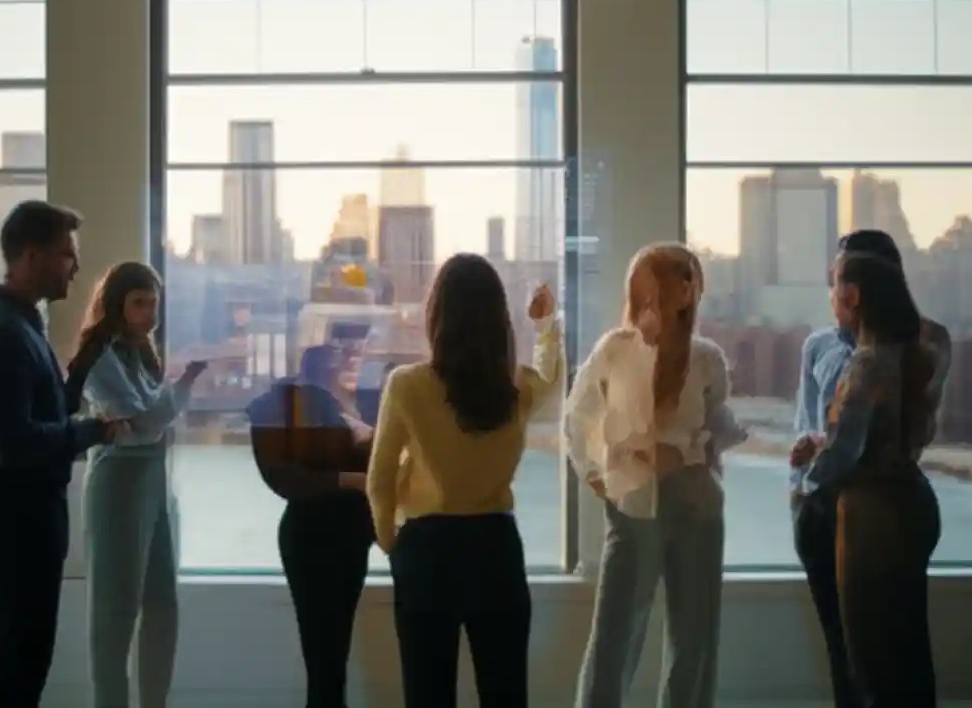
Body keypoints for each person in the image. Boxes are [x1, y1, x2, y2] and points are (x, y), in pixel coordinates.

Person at [366, 255, 563, 708]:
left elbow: (379, 479)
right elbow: (553, 377)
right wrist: (548, 322)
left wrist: (391, 541)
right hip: (494, 548)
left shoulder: (407, 385)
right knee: (505, 692)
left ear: (437, 315)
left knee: (428, 694)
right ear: (499, 320)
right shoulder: (515, 387)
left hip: (426, 551)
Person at [0, 200, 124, 707]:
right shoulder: (5, 336)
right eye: (65, 254)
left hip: (18, 511)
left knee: (11, 654)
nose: (74, 266)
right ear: (31, 256)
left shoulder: (16, 325)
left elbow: (37, 419)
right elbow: (16, 444)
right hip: (18, 515)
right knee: (20, 661)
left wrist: (82, 367)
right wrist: (89, 432)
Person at [565, 242, 746, 708]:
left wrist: (695, 449)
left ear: (687, 292)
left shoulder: (706, 357)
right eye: (638, 289)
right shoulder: (616, 349)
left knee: (694, 638)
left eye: (658, 288)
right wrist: (595, 473)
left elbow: (717, 423)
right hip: (633, 502)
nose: (646, 300)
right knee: (614, 638)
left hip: (696, 500)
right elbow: (578, 415)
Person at [789, 231, 950, 708]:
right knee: (877, 651)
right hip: (867, 505)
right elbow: (835, 426)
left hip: (866, 513)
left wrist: (813, 472)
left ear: (859, 291)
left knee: (870, 656)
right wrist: (803, 495)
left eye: (839, 280)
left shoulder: (876, 356)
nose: (833, 290)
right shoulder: (912, 347)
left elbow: (845, 445)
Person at [62, 262, 207, 708]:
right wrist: (182, 386)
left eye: (154, 303)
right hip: (119, 483)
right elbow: (144, 423)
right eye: (139, 303)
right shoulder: (99, 356)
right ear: (115, 304)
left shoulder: (140, 351)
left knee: (163, 603)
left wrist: (171, 395)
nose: (149, 313)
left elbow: (145, 419)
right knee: (115, 614)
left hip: (152, 480)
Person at [244, 344, 375, 708]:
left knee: (332, 654)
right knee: (325, 657)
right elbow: (286, 479)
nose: (351, 362)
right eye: (342, 360)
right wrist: (352, 480)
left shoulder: (358, 402)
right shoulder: (282, 407)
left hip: (352, 532)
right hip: (314, 535)